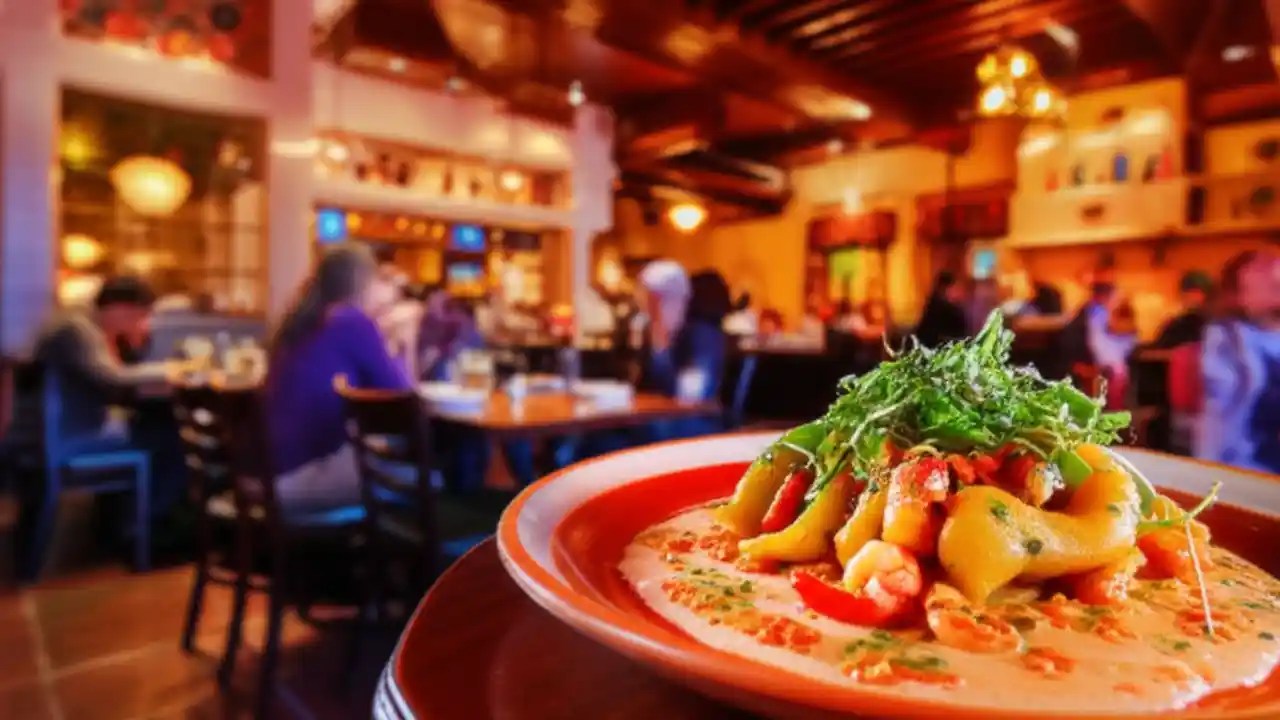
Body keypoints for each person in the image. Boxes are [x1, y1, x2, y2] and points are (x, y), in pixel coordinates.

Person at [264, 244, 410, 508]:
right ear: (363, 283)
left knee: (376, 458)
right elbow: (401, 398)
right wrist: (402, 344)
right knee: (422, 478)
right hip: (293, 480)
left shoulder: (301, 322)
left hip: (263, 474)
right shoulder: (353, 322)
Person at [1197, 249, 1280, 473]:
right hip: (1247, 468)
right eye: (1263, 276)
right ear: (1237, 295)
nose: (1274, 276)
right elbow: (1219, 420)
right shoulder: (1227, 339)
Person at [416, 289, 483, 382]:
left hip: (460, 384)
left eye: (444, 306)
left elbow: (476, 368)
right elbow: (417, 370)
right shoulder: (425, 329)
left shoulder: (467, 330)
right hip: (433, 386)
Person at [1154, 270, 1214, 348]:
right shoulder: (1174, 326)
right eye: (1187, 293)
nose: (1192, 297)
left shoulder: (1217, 326)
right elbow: (1160, 351)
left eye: (1196, 293)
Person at [915, 271, 969, 347]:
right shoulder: (944, 311)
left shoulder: (932, 307)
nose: (958, 292)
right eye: (955, 288)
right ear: (946, 289)